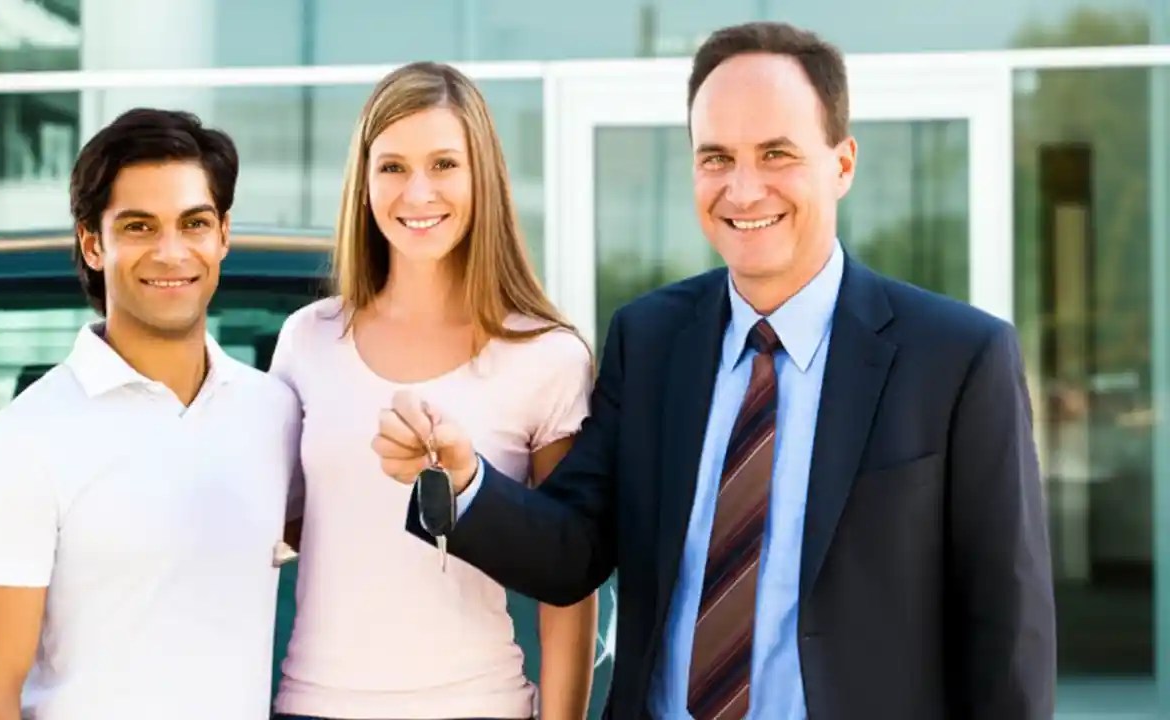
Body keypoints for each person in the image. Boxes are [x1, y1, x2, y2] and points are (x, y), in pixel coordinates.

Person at [373, 22, 1057, 720]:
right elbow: (573, 551)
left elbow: (1007, 635)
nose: (744, 188)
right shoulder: (650, 340)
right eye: (717, 157)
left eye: (776, 153)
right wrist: (461, 483)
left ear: (843, 163)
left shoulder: (957, 359)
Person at [0, 108, 302, 720]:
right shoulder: (20, 444)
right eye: (139, 226)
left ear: (222, 235)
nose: (171, 252)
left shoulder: (276, 414)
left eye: (194, 223)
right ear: (92, 242)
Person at [268, 61, 597, 720]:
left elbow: (569, 583)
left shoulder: (547, 356)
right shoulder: (307, 340)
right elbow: (278, 525)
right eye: (392, 167)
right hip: (315, 704)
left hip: (478, 704)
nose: (417, 192)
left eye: (444, 164)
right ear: (363, 184)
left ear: (483, 179)